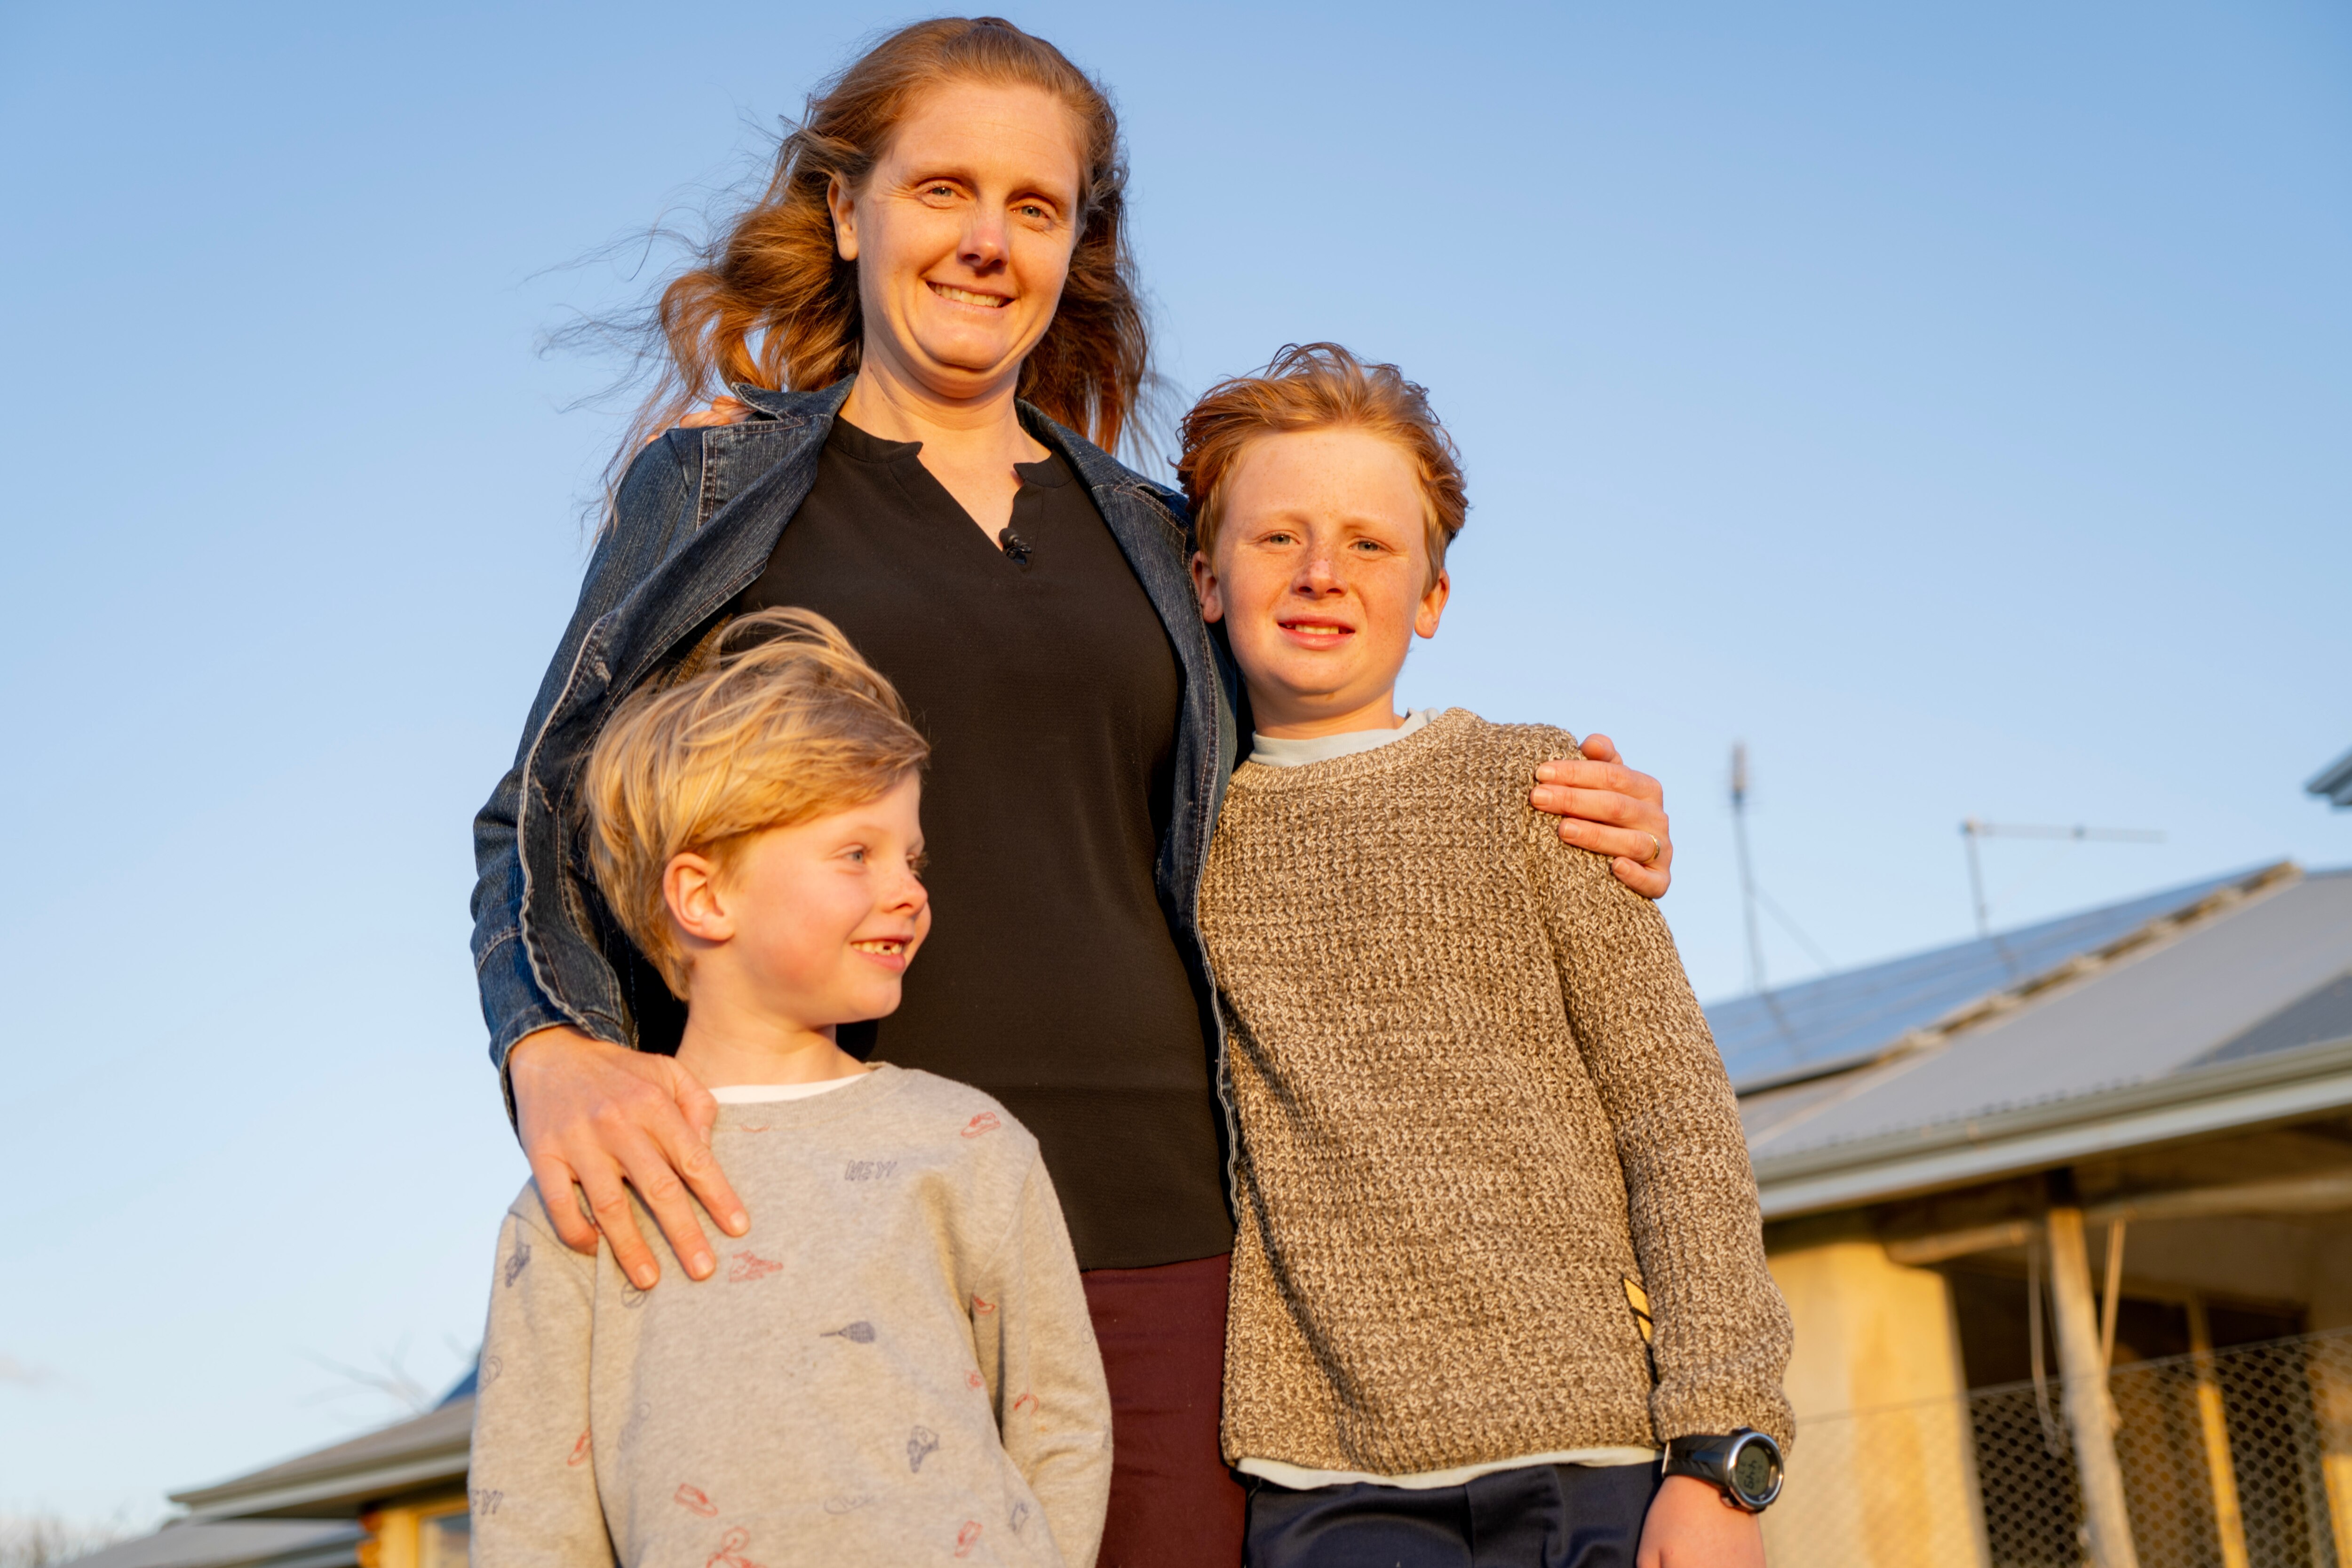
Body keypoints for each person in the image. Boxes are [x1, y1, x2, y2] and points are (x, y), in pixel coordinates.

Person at [469, 18, 1680, 1562]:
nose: (987, 239)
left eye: (1033, 207)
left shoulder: (1155, 529)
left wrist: (1548, 813)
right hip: (835, 1219)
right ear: (847, 210)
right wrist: (552, 1045)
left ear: (1073, 248)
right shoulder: (712, 486)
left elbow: (1320, 757)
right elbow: (544, 810)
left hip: (1171, 1229)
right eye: (944, 189)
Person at [1179, 345, 1793, 1568]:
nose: (1319, 572)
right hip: (1327, 1486)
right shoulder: (1184, 841)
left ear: (1433, 596)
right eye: (1276, 536)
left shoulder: (1536, 786)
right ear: (1205, 577)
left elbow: (1675, 1122)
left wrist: (1721, 1447)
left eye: (1369, 542)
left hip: (1597, 1456)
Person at [469, 608, 1112, 1568]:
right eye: (857, 853)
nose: (909, 889)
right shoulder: (588, 1187)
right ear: (705, 896)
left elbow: (1060, 1419)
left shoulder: (973, 1144)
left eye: (910, 857)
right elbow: (531, 1512)